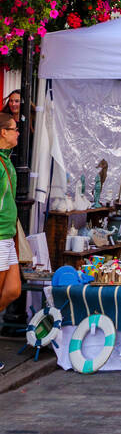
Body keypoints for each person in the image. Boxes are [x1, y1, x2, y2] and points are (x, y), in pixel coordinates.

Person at [0, 111, 20, 366]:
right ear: (3, 131)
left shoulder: (6, 159)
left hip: (8, 233)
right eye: (14, 128)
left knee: (13, 289)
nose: (18, 132)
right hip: (0, 234)